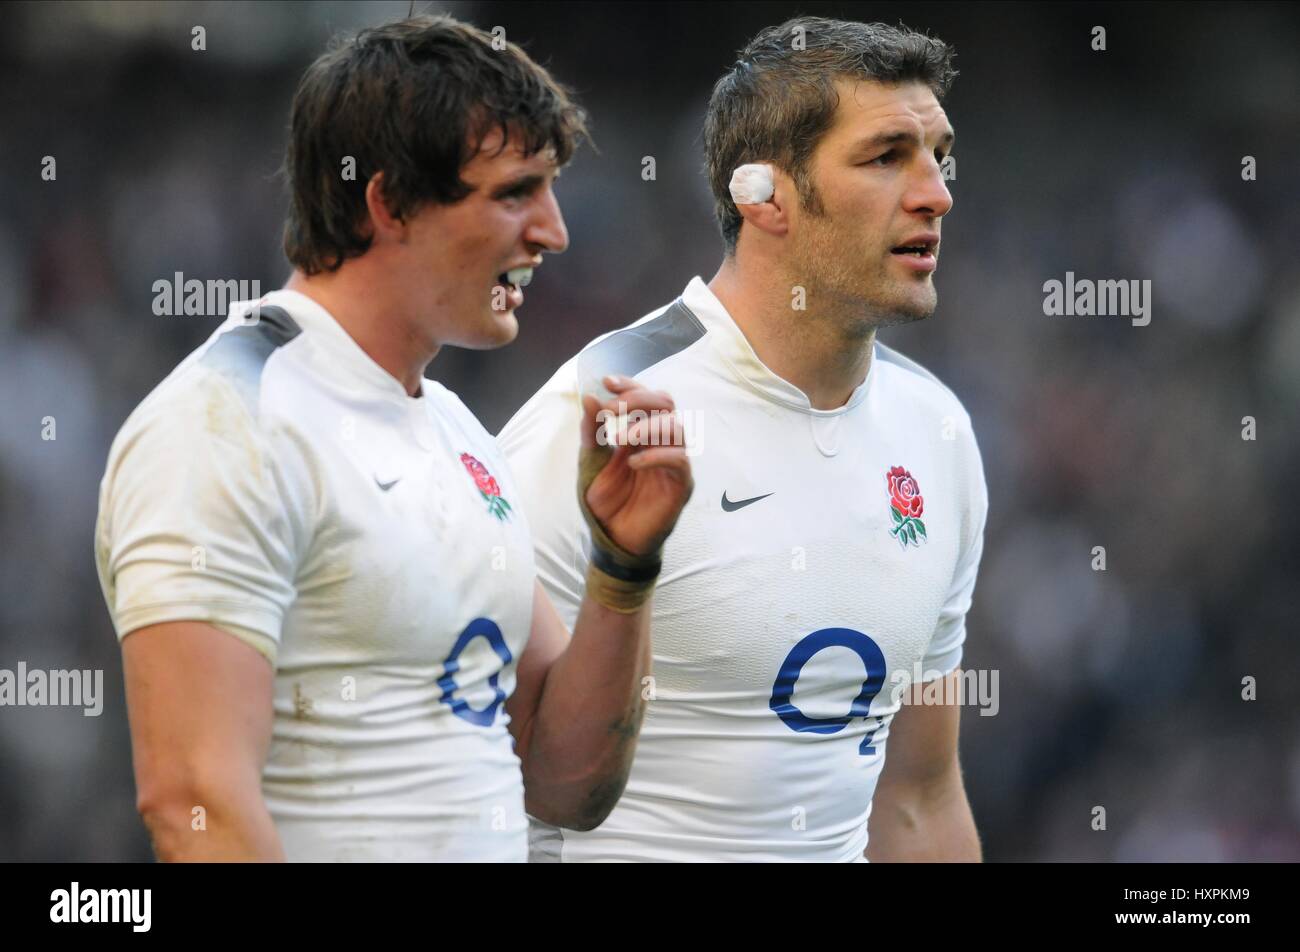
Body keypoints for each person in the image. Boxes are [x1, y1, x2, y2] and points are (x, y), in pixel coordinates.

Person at [93, 14, 692, 862]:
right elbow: (194, 801)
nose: (555, 231)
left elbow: (565, 783)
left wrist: (624, 568)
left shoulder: (454, 431)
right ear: (388, 202)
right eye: (516, 192)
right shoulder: (225, 423)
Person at [499, 16, 986, 862]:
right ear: (763, 195)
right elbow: (487, 784)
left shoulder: (937, 431)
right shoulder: (601, 414)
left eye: (939, 156)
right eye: (885, 157)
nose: (935, 193)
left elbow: (918, 798)